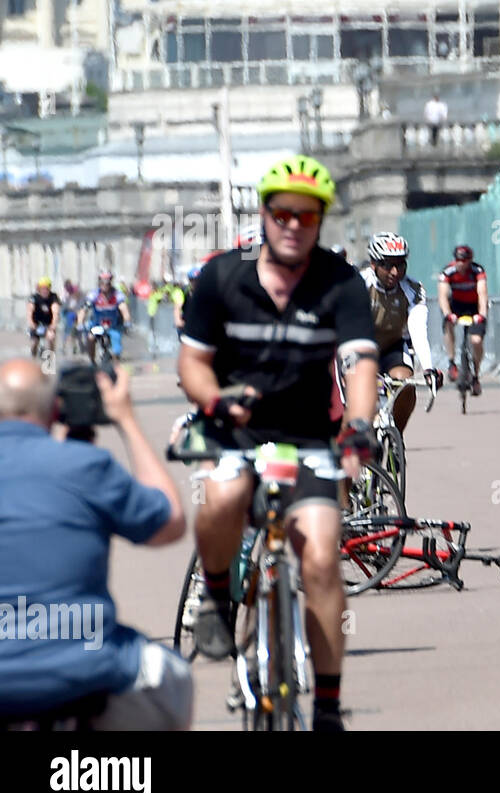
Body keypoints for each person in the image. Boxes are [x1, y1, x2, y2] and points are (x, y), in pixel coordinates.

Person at [179, 154, 378, 732]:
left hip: (305, 440)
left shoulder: (339, 283)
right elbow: (193, 363)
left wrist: (359, 426)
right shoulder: (221, 277)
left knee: (319, 556)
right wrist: (214, 400)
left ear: (320, 222)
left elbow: (361, 363)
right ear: (264, 215)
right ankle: (218, 599)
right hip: (234, 432)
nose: (294, 224)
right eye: (283, 213)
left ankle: (329, 706)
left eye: (307, 216)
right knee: (221, 497)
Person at [0, 358, 190, 728]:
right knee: (173, 676)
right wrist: (127, 421)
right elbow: (170, 522)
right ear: (56, 410)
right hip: (84, 668)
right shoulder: (83, 467)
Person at [358, 231, 440, 434]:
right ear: (373, 264)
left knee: (405, 384)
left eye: (401, 264)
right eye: (387, 265)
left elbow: (418, 330)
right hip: (361, 346)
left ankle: (395, 437)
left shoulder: (412, 288)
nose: (395, 272)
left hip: (393, 346)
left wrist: (428, 368)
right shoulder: (358, 285)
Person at [438, 244, 488, 395]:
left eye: (465, 261)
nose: (461, 264)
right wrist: (448, 313)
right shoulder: (448, 271)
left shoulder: (477, 271)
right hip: (457, 305)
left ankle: (476, 375)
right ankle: (452, 362)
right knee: (448, 324)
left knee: (476, 341)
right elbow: (442, 295)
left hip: (474, 306)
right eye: (458, 260)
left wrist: (482, 314)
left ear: (470, 261)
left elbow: (482, 293)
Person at [78, 271, 131, 363]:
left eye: (107, 283)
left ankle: (115, 367)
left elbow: (124, 309)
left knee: (116, 352)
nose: (105, 285)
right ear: (99, 283)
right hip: (97, 325)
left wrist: (127, 321)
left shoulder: (117, 295)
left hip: (113, 326)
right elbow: (83, 309)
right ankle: (92, 361)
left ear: (110, 283)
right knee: (90, 338)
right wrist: (80, 323)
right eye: (102, 282)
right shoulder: (94, 295)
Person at [27, 276, 59, 358]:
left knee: (51, 338)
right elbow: (30, 311)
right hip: (36, 324)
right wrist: (31, 323)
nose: (45, 290)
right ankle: (33, 358)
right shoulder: (34, 298)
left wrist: (54, 324)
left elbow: (55, 311)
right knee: (34, 343)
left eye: (47, 288)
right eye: (43, 288)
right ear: (39, 289)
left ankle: (51, 359)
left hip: (48, 324)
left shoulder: (53, 297)